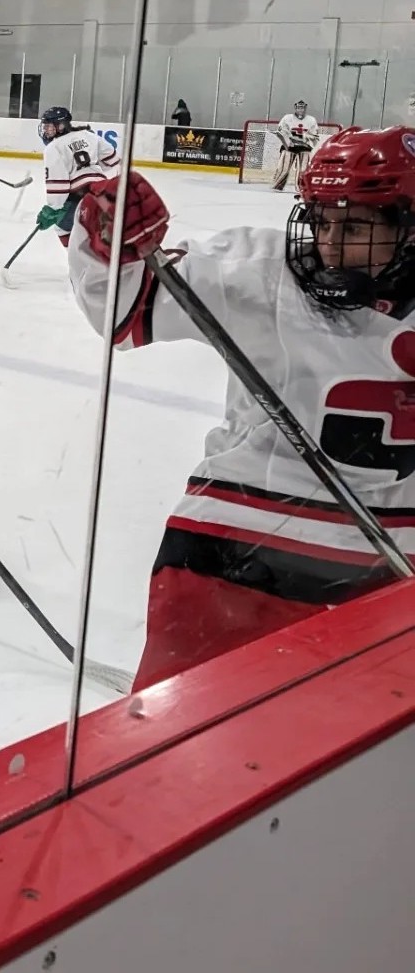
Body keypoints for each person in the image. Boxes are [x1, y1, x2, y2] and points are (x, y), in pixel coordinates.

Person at [66, 126, 415, 693]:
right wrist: (107, 240)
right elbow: (123, 312)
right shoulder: (263, 270)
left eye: (353, 228)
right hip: (236, 553)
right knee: (184, 744)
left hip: (385, 576)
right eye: (321, 221)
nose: (328, 245)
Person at [37, 105, 120, 246]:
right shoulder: (89, 135)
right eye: (45, 127)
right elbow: (113, 160)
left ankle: (79, 257)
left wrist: (53, 210)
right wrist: (92, 168)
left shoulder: (53, 148)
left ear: (61, 126)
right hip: (106, 193)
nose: (45, 131)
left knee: (61, 227)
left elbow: (59, 186)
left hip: (81, 200)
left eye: (49, 127)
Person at [272, 99, 323, 193]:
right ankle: (278, 185)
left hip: (304, 146)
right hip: (289, 146)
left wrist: (306, 139)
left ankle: (301, 187)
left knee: (303, 169)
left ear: (305, 108)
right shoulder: (287, 118)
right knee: (284, 168)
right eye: (299, 107)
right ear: (295, 108)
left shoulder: (311, 120)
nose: (300, 109)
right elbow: (281, 132)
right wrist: (287, 142)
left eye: (302, 107)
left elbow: (315, 135)